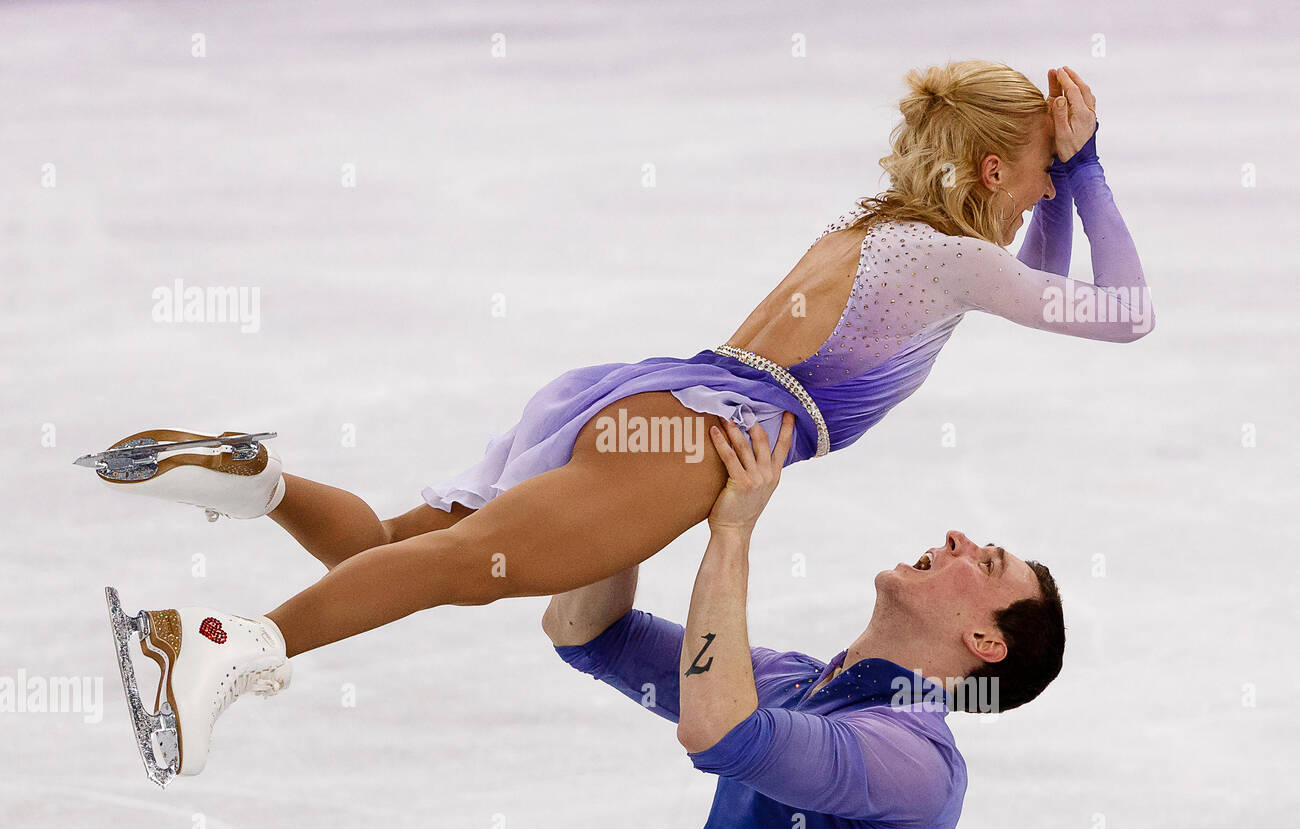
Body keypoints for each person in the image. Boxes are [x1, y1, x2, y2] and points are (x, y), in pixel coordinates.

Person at [84, 61, 1143, 782]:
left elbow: (1039, 282)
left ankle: (255, 479)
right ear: (994, 170)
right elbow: (1123, 312)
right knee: (462, 568)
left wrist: (1058, 180)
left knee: (396, 547)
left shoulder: (888, 227)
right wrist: (1090, 171)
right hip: (701, 441)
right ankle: (216, 645)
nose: (1041, 196)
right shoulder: (952, 260)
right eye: (1038, 177)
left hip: (644, 393)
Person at [543, 415, 1064, 829]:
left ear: (984, 641)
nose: (956, 538)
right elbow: (588, 632)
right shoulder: (792, 680)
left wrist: (733, 531)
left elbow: (719, 732)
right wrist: (627, 491)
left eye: (986, 564)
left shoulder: (917, 762)